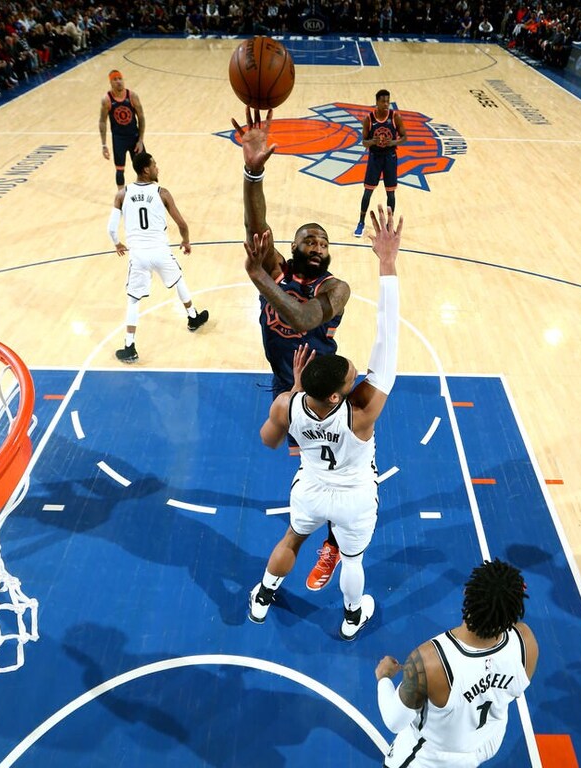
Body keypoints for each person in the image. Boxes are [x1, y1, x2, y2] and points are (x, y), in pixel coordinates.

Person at [247, 205, 402, 640]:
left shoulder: (289, 407)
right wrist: (387, 264)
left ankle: (263, 595)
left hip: (311, 491)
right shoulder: (362, 413)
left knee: (291, 540)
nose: (356, 372)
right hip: (353, 498)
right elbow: (387, 337)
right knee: (353, 562)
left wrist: (292, 392)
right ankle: (352, 617)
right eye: (351, 374)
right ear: (339, 394)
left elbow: (267, 441)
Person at [231, 106, 352, 592]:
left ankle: (333, 545)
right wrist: (253, 172)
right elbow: (255, 227)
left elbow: (303, 319)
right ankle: (312, 535)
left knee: (335, 473)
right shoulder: (277, 267)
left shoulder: (337, 287)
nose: (317, 241)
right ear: (296, 246)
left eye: (322, 239)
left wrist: (260, 278)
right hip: (289, 384)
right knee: (303, 465)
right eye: (308, 237)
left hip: (326, 392)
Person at [375, 558, 539, 767]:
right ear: (514, 612)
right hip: (486, 743)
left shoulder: (430, 661)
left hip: (432, 756)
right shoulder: (526, 643)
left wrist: (384, 678)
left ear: (466, 595)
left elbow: (395, 721)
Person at [106, 151, 209, 363]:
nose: (157, 168)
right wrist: (186, 241)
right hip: (161, 251)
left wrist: (117, 243)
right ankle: (193, 318)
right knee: (179, 281)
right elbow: (182, 224)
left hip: (139, 255)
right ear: (146, 169)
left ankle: (129, 346)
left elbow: (111, 229)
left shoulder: (122, 194)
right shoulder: (162, 193)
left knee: (133, 300)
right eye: (154, 165)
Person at [354, 90, 407, 238]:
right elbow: (364, 141)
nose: (385, 104)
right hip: (375, 157)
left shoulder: (395, 117)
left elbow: (404, 137)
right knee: (367, 192)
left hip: (390, 157)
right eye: (383, 101)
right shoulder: (369, 119)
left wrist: (394, 142)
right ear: (376, 102)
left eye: (387, 102)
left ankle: (390, 225)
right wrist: (373, 142)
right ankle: (361, 223)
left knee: (390, 193)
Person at [99, 69, 145, 189]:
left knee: (144, 169)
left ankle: (145, 193)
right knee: (120, 171)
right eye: (115, 79)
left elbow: (141, 118)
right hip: (119, 139)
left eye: (120, 79)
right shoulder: (107, 100)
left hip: (134, 137)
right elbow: (102, 121)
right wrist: (104, 145)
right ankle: (122, 199)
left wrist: (140, 140)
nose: (119, 82)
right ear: (111, 83)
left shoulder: (132, 96)